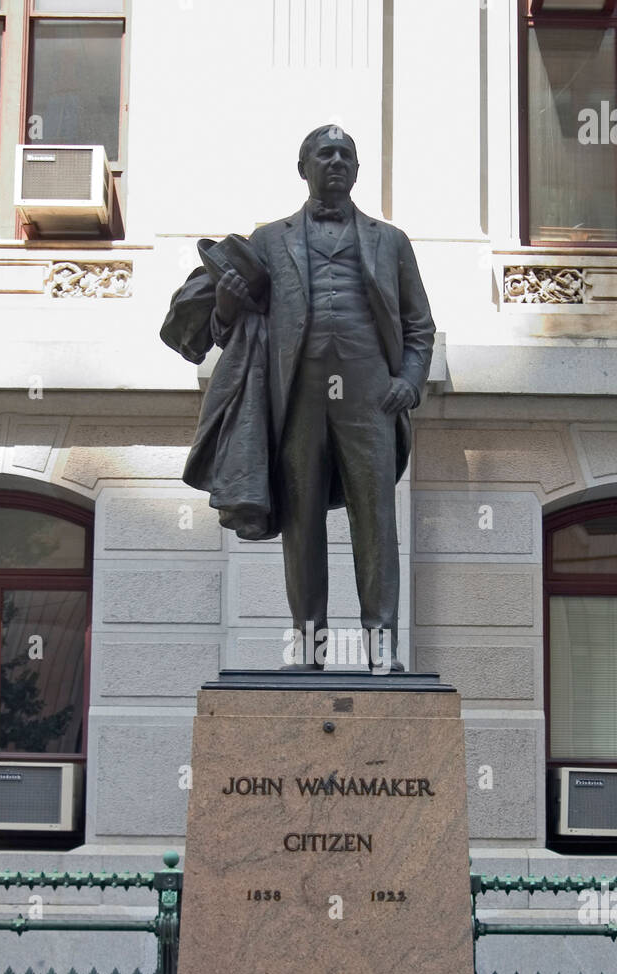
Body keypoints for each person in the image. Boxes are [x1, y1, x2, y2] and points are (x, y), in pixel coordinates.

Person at [212, 125, 435, 671]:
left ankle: (382, 647)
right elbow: (226, 331)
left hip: (370, 398)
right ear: (303, 166)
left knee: (377, 521)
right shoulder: (267, 239)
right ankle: (309, 648)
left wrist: (408, 380)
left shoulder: (392, 240)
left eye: (346, 155)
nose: (335, 161)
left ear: (357, 170)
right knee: (302, 521)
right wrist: (225, 298)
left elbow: (419, 325)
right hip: (298, 398)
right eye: (324, 153)